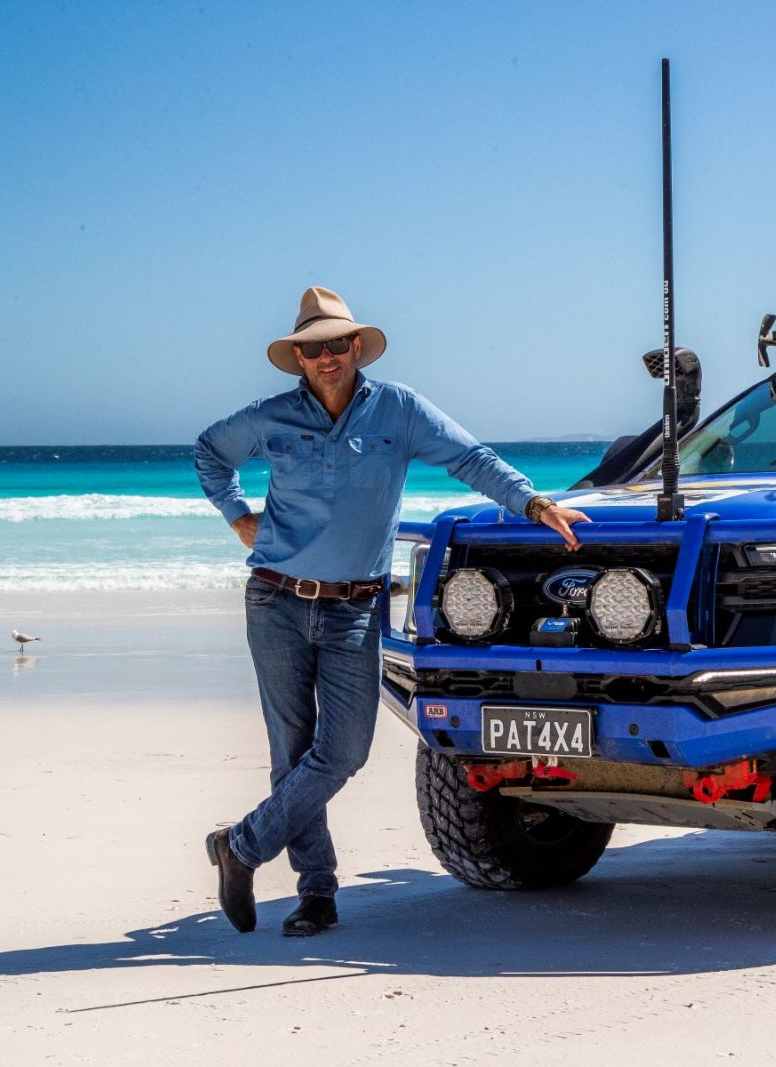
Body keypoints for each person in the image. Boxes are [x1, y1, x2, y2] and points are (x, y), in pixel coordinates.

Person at [195, 286, 588, 936]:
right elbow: (210, 451)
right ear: (298, 357)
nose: (326, 357)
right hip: (275, 600)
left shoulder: (398, 410)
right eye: (312, 349)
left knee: (344, 751)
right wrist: (238, 516)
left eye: (336, 343)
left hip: (354, 609)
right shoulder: (270, 417)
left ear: (356, 345)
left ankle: (239, 847)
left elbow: (469, 458)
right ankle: (316, 892)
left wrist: (534, 503)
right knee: (291, 751)